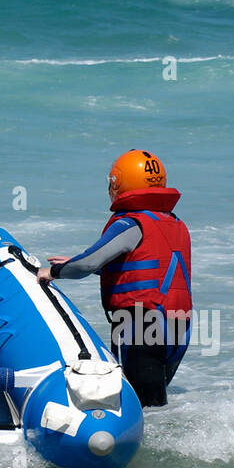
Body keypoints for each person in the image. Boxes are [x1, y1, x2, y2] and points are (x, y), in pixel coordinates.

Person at [36, 150, 192, 407]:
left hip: (142, 323)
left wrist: (52, 272)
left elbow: (88, 263)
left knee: (141, 408)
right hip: (178, 322)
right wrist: (72, 263)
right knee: (156, 404)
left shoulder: (131, 223)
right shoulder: (174, 223)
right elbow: (144, 271)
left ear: (118, 184)